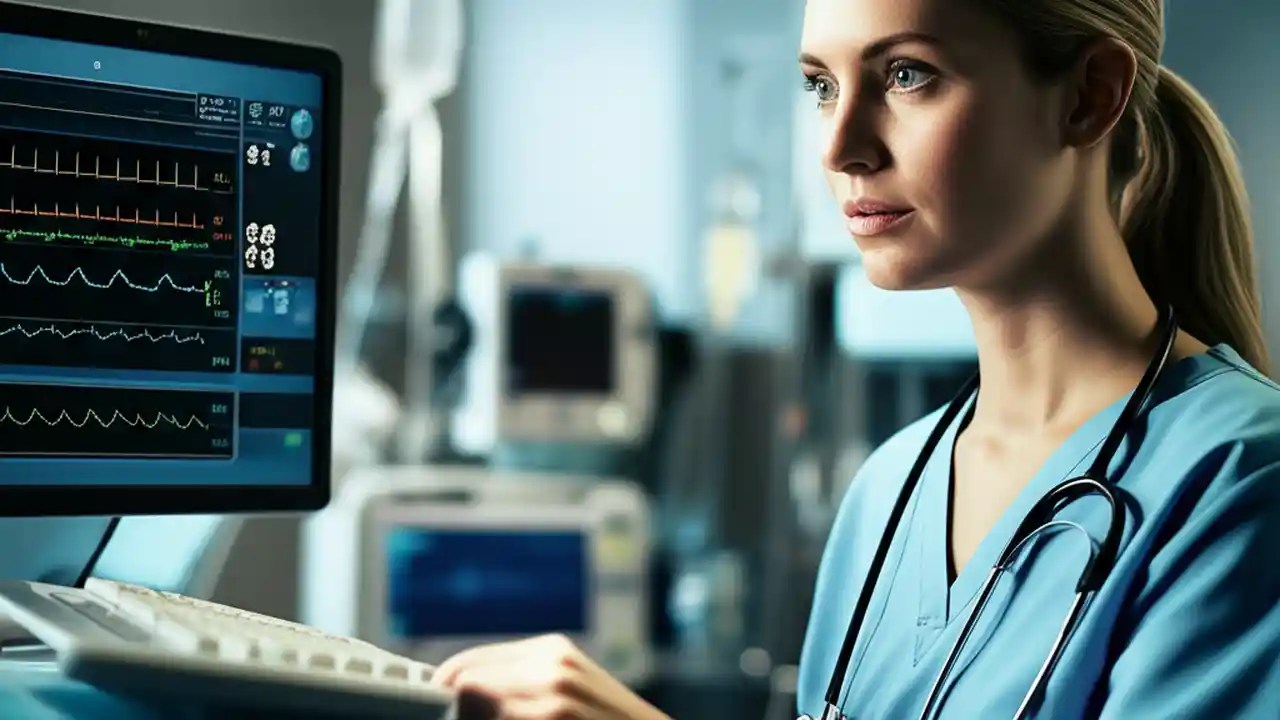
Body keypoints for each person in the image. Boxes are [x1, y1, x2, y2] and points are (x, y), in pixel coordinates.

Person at [431, 0, 1280, 717]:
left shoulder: (1237, 478)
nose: (840, 147)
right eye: (821, 86)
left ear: (1089, 98)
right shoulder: (890, 489)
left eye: (907, 75)